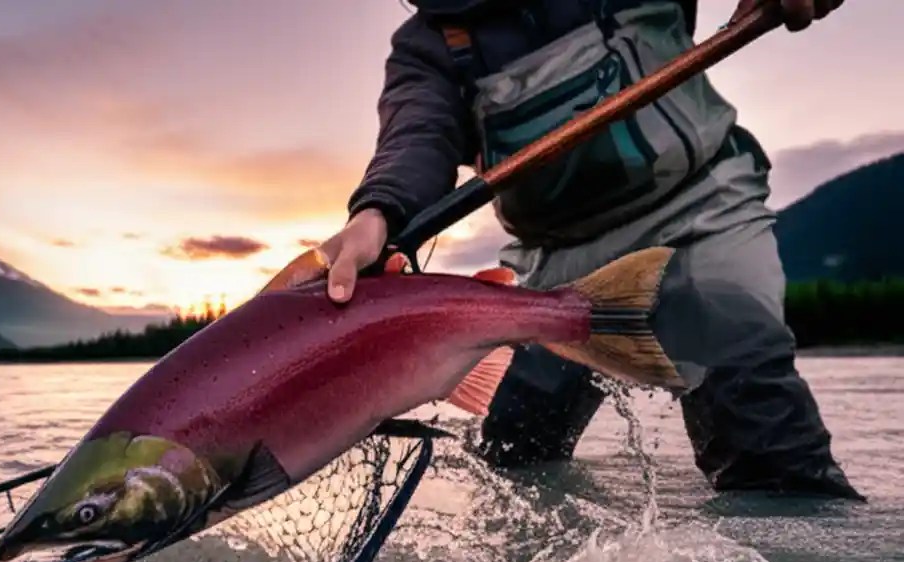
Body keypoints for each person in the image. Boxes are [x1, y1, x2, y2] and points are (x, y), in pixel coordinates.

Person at [292, 0, 864, 500]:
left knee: (759, 420)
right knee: (514, 452)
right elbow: (416, 136)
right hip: (557, 262)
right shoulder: (428, 46)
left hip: (701, 212)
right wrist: (378, 213)